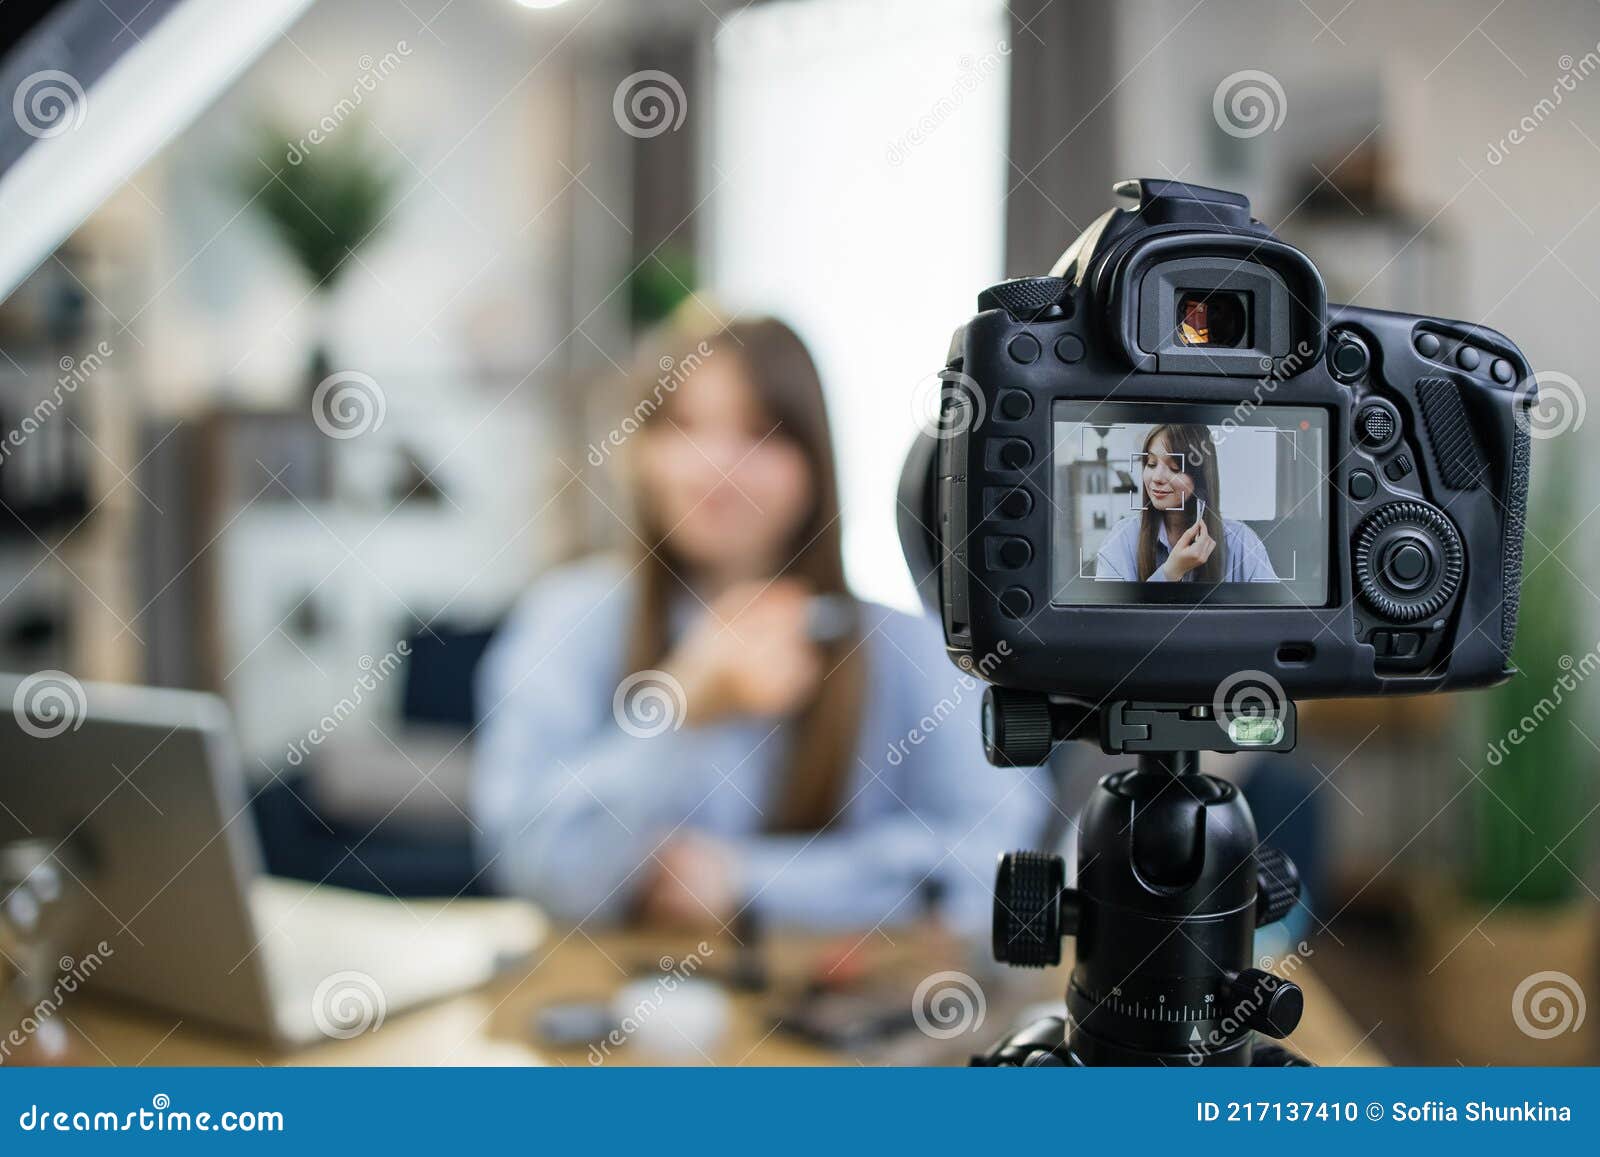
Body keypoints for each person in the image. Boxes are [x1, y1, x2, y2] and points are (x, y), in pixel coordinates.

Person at [471, 315, 1043, 935]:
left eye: (758, 432)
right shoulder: (569, 618)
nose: (713, 464)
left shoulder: (910, 649)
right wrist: (680, 705)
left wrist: (748, 880)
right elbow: (530, 871)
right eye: (681, 427)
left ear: (813, 462)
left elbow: (1000, 866)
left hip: (833, 1013)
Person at [1094, 423, 1276, 584]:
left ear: (1200, 478)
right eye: (1151, 464)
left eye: (1175, 468)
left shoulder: (1241, 541)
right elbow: (1111, 621)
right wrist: (1170, 572)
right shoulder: (1122, 539)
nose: (1156, 478)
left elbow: (1273, 618)